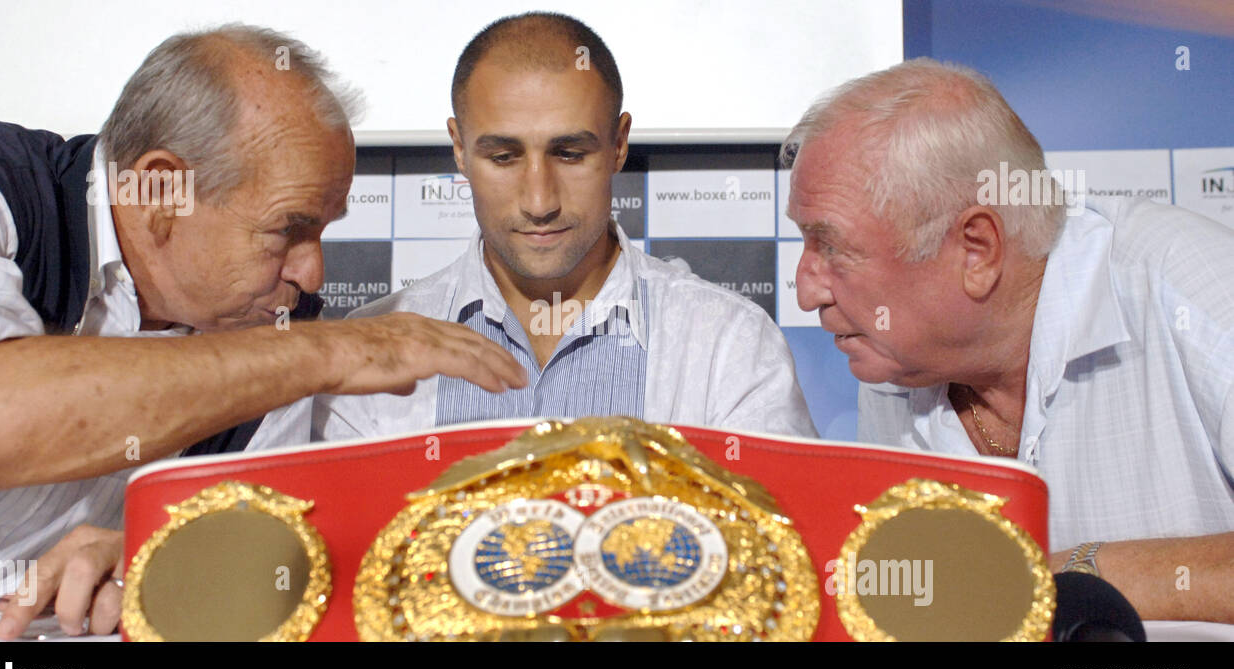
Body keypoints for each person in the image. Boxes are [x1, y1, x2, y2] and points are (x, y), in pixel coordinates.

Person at [0, 24, 526, 638]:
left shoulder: (287, 329)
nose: (312, 271)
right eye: (286, 230)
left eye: (322, 230)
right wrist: (321, 352)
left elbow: (254, 574)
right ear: (164, 188)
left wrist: (144, 557)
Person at [785, 57, 1234, 622]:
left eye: (834, 249)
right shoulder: (896, 361)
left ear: (977, 250)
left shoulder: (1197, 290)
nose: (805, 292)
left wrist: (1075, 580)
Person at [255, 11, 815, 447]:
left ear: (619, 144)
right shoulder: (370, 349)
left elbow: (772, 571)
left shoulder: (729, 345)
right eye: (503, 157)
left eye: (570, 153)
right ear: (458, 148)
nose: (540, 201)